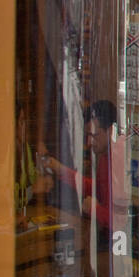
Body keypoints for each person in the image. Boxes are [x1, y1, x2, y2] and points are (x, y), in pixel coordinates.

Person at [41, 99, 116, 248]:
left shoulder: (119, 159)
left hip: (116, 244)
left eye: (94, 135)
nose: (89, 142)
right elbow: (98, 189)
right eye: (87, 135)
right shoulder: (106, 157)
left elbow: (121, 219)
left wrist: (95, 209)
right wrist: (60, 169)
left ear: (111, 130)